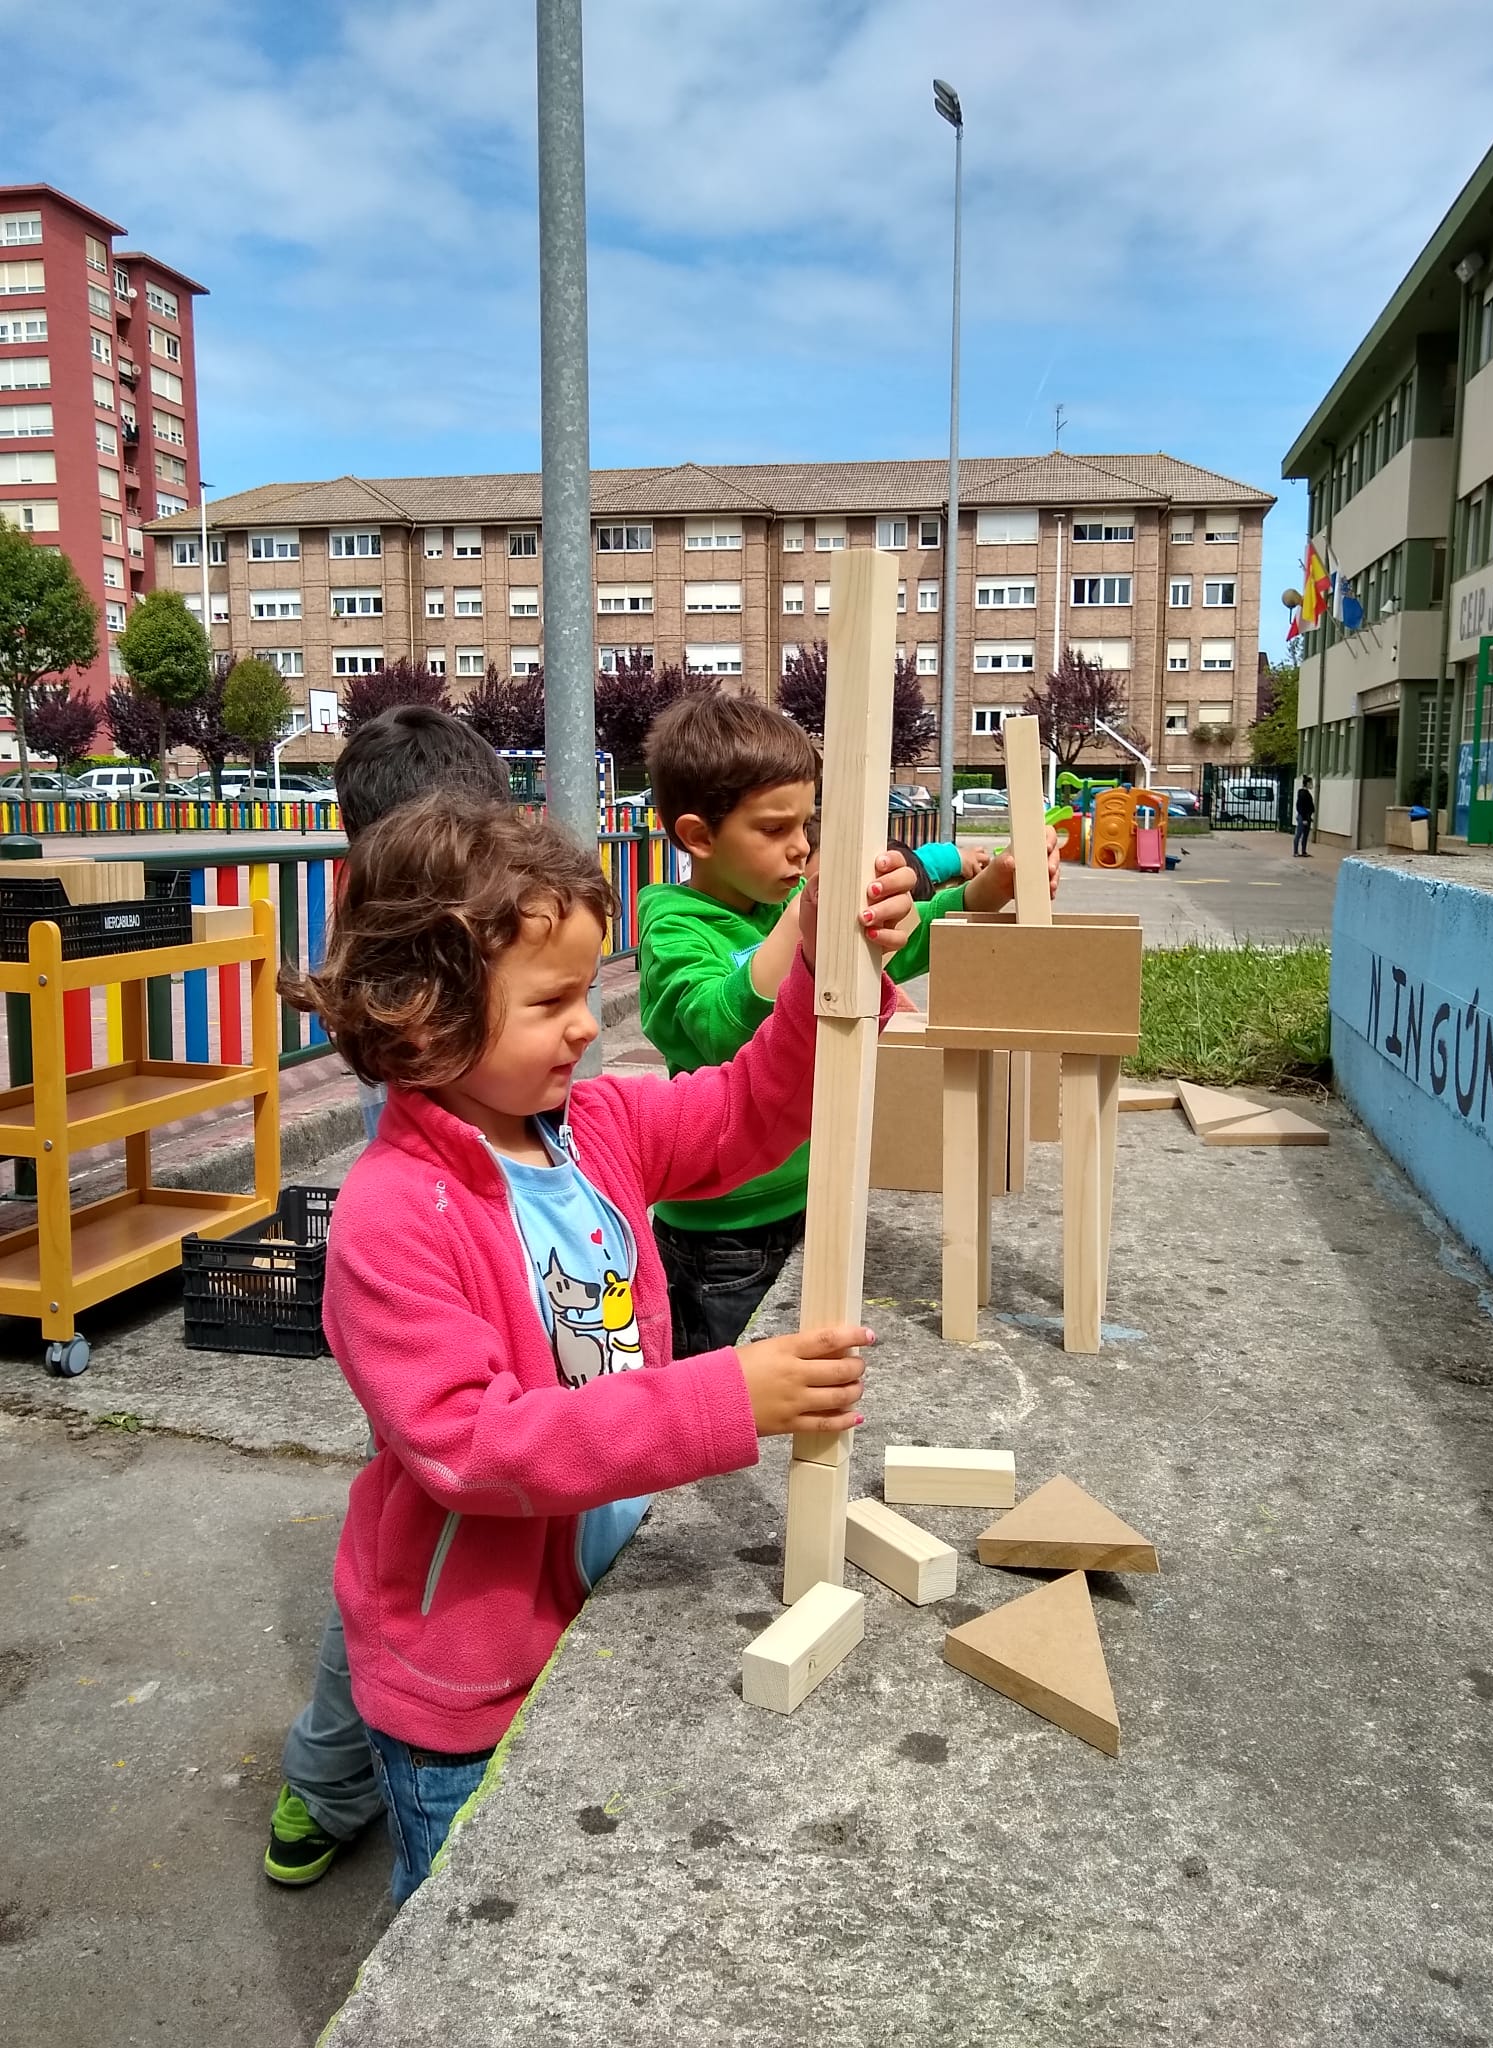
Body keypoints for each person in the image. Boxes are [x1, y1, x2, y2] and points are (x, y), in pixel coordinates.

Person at [281, 793, 915, 1906]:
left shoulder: (596, 1128)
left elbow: (748, 1111)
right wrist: (724, 1396)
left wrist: (823, 963)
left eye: (590, 989)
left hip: (588, 1600)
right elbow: (475, 1447)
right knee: (477, 1927)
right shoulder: (393, 1216)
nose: (590, 1022)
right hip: (467, 1676)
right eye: (554, 1001)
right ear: (423, 1015)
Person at [265, 708, 515, 1890]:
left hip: (480, 1276)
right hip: (428, 1288)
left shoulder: (422, 909)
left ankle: (328, 1781)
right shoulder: (406, 961)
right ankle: (327, 1778)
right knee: (415, 1536)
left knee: (424, 1532)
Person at [638, 694, 1060, 1357]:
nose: (801, 846)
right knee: (697, 1391)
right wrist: (811, 914)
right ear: (698, 836)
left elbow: (893, 947)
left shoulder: (773, 905)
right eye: (775, 829)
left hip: (808, 1198)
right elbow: (723, 1023)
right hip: (719, 1233)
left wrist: (986, 891)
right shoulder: (673, 924)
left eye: (807, 824)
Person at [1294, 775, 1316, 858]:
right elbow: (1300, 806)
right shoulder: (1303, 793)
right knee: (1299, 834)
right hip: (1303, 817)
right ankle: (1296, 851)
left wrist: (1309, 817)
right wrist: (1303, 818)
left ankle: (1303, 851)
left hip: (1307, 816)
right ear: (1307, 783)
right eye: (1311, 783)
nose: (1312, 785)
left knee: (1305, 835)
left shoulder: (1306, 793)